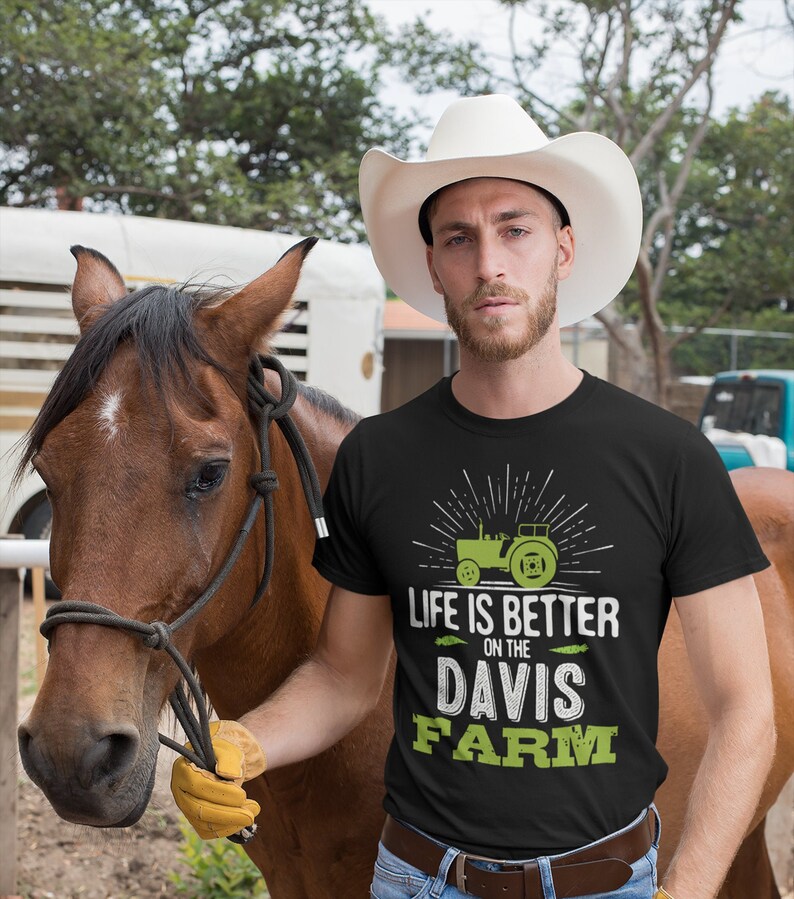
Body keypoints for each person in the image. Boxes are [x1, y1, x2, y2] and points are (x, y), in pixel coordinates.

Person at [171, 95, 775, 899]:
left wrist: (690, 886)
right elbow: (344, 676)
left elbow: (744, 709)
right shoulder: (380, 458)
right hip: (420, 880)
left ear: (563, 248)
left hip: (606, 882)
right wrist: (246, 742)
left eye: (515, 229)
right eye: (459, 237)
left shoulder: (669, 458)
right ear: (434, 267)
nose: (490, 263)